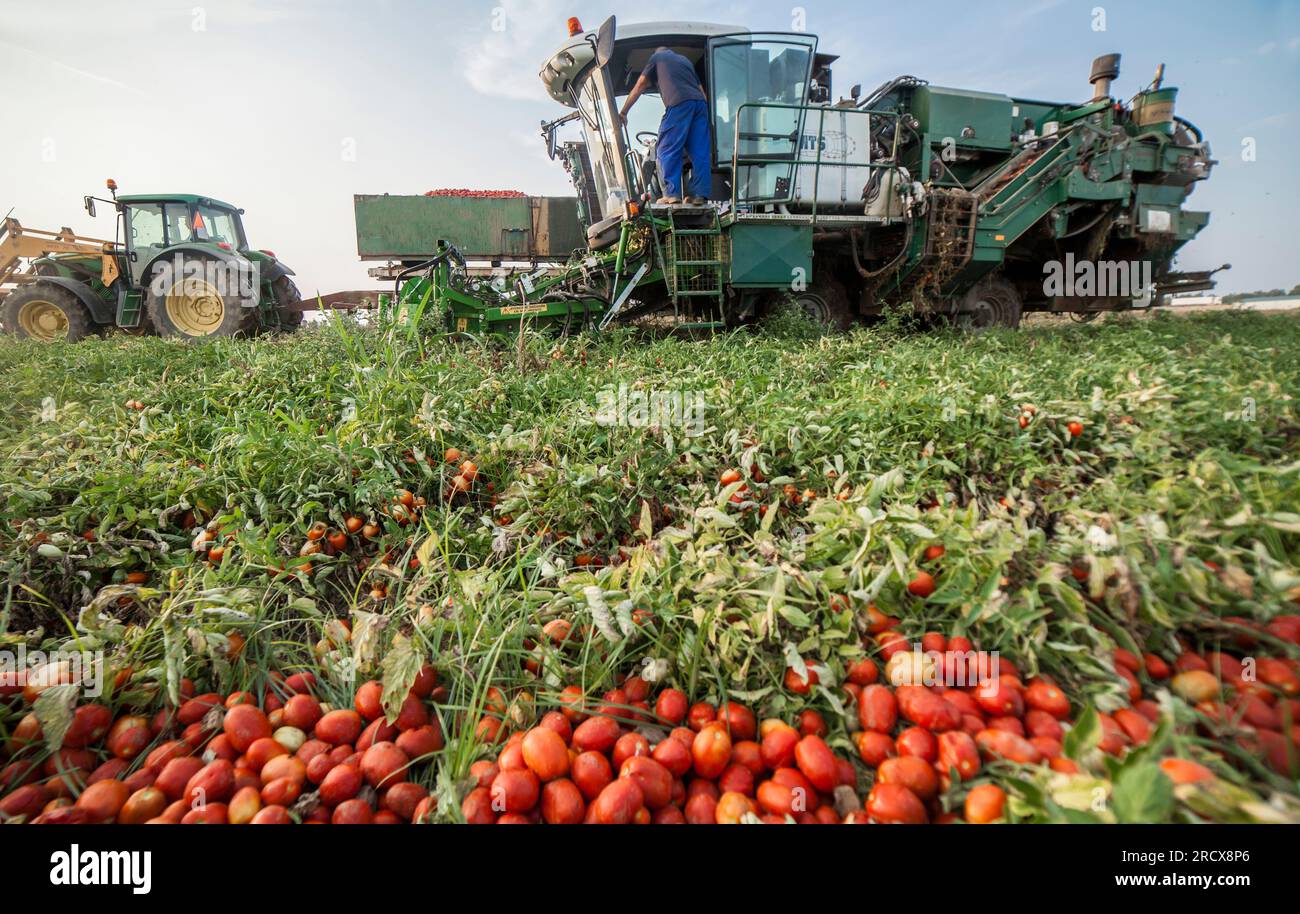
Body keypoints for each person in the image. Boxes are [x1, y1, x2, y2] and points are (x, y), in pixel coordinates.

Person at [620, 47, 711, 205]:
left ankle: (671, 193)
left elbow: (641, 84)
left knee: (664, 149)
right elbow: (702, 92)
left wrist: (623, 112)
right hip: (700, 106)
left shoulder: (657, 58)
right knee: (699, 153)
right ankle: (700, 195)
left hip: (679, 103)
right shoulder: (686, 62)